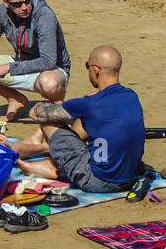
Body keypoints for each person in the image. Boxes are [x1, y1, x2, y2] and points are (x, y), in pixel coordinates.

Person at [15, 44, 145, 193]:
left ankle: (48, 164)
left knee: (48, 120)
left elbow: (36, 113)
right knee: (89, 121)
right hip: (130, 178)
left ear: (96, 71)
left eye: (87, 66)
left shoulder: (90, 104)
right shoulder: (131, 96)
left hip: (98, 181)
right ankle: (48, 162)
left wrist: (51, 104)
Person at [0, 0, 71, 119]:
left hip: (52, 70)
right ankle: (14, 98)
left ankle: (57, 107)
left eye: (27, 0)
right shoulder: (0, 12)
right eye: (17, 4)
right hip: (22, 63)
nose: (24, 7)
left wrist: (11, 68)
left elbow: (48, 61)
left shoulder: (44, 16)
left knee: (49, 84)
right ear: (6, 3)